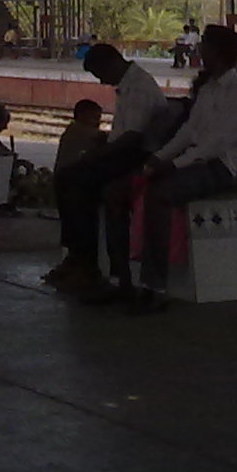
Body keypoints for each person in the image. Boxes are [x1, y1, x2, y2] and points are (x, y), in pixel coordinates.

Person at [99, 24, 237, 313]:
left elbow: (213, 147)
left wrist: (169, 165)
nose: (200, 51)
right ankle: (119, 278)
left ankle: (154, 286)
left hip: (221, 168)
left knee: (159, 194)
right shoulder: (209, 89)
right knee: (116, 191)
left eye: (205, 46)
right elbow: (188, 132)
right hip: (194, 159)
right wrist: (158, 159)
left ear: (218, 53)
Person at [44, 43, 166, 297]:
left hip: (138, 153)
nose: (101, 81)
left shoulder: (139, 87)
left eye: (99, 74)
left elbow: (133, 136)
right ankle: (76, 254)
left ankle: (87, 263)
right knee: (66, 177)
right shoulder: (128, 85)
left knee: (79, 183)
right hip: (127, 149)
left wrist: (97, 155)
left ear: (110, 64)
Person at [53, 98, 107, 178]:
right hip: (70, 180)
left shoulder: (72, 129)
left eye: (98, 118)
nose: (98, 122)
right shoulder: (79, 130)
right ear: (81, 115)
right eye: (94, 117)